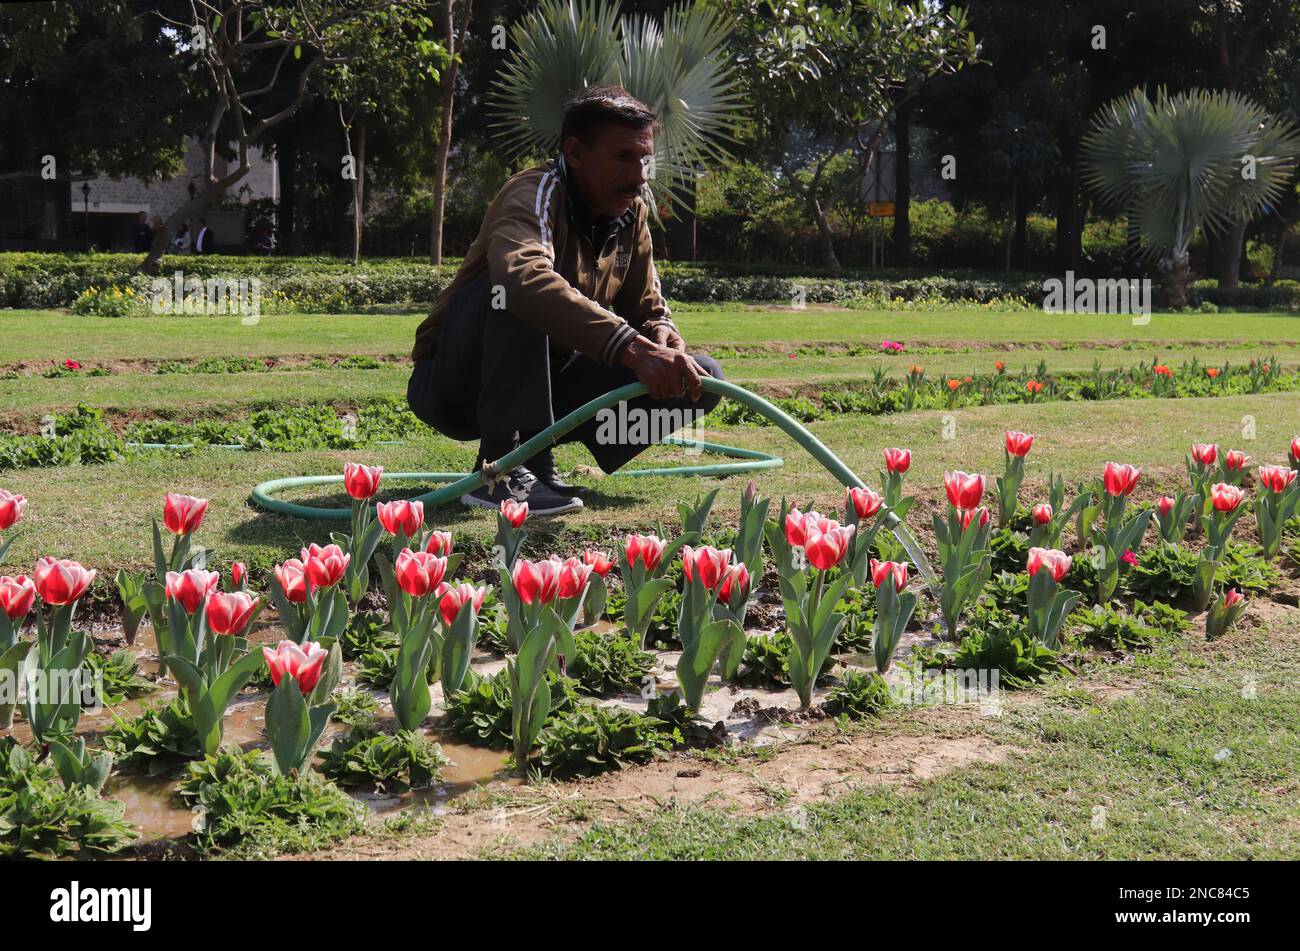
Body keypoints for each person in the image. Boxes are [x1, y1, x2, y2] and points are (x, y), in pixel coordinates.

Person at [407, 85, 724, 515]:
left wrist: (661, 336)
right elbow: (523, 279)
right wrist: (632, 348)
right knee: (516, 294)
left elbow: (648, 305)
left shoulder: (630, 212)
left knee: (701, 377)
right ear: (575, 152)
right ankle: (498, 470)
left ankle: (537, 462)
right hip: (454, 386)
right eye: (624, 157)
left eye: (644, 158)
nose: (640, 175)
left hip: (547, 385)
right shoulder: (534, 192)